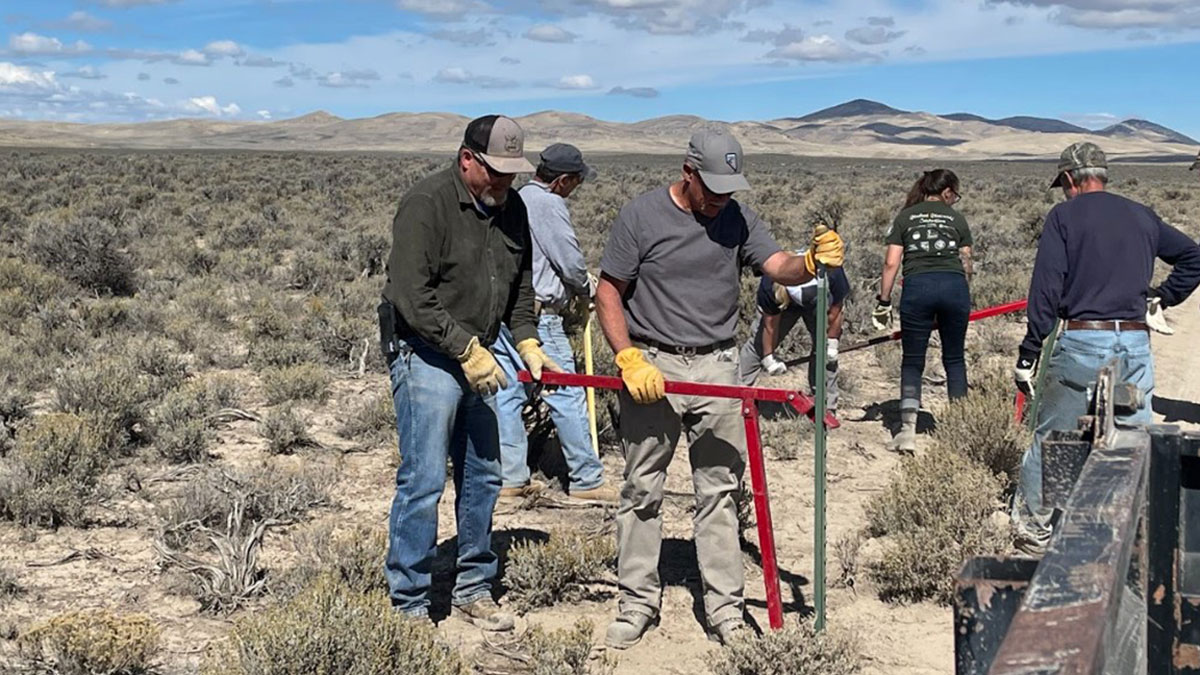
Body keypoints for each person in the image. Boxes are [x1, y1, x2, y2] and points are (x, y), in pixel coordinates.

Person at [594, 128, 844, 649]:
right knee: (642, 488)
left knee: (721, 491)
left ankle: (726, 610)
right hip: (653, 367)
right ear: (687, 172)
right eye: (713, 187)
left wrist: (810, 261)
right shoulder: (641, 216)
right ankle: (636, 602)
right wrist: (627, 357)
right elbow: (608, 292)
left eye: (731, 188)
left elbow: (779, 266)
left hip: (717, 369)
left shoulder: (736, 217)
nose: (721, 198)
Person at [378, 114, 562, 629]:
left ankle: (473, 586)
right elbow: (413, 294)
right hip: (425, 353)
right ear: (467, 160)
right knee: (425, 478)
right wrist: (465, 348)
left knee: (483, 474)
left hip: (477, 355)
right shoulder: (426, 204)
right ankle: (409, 602)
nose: (505, 184)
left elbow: (520, 285)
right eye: (496, 172)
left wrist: (526, 339)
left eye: (513, 174)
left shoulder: (513, 207)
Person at [1011, 142, 1200, 553]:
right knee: (1135, 437)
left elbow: (1046, 289)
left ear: (1068, 179)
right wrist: (1163, 297)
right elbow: (1193, 256)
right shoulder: (1141, 214)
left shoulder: (1063, 216)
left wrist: (1029, 350)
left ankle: (1035, 529)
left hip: (1082, 340)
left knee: (1053, 437)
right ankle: (1135, 528)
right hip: (1134, 342)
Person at [491, 143, 617, 503]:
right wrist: (586, 287)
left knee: (509, 395)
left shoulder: (515, 198)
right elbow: (569, 260)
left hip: (510, 313)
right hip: (541, 316)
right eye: (576, 181)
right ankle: (587, 480)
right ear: (562, 180)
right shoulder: (547, 204)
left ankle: (511, 476)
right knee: (567, 394)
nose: (576, 187)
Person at [871, 169, 973, 453]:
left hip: (917, 290)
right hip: (954, 288)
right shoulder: (957, 219)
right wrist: (962, 295)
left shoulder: (906, 217)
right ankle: (962, 428)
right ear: (947, 192)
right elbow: (966, 262)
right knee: (954, 359)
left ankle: (906, 432)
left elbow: (891, 264)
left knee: (912, 360)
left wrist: (884, 301)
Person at [737, 258, 850, 423]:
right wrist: (769, 358)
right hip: (783, 297)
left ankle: (825, 408)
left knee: (824, 350)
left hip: (819, 298)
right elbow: (770, 327)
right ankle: (734, 395)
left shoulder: (832, 273)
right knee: (757, 347)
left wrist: (832, 344)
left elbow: (835, 313)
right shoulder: (771, 284)